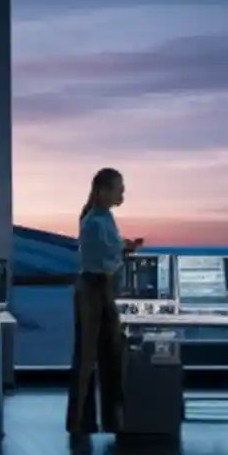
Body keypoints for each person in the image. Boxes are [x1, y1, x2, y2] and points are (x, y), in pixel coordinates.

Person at [66, 167, 142, 435]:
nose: (122, 193)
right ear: (103, 190)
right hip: (93, 288)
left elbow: (109, 252)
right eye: (118, 188)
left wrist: (123, 249)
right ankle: (81, 422)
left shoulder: (104, 218)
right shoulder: (94, 222)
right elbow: (107, 258)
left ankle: (104, 420)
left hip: (101, 288)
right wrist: (125, 250)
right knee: (88, 356)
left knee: (111, 352)